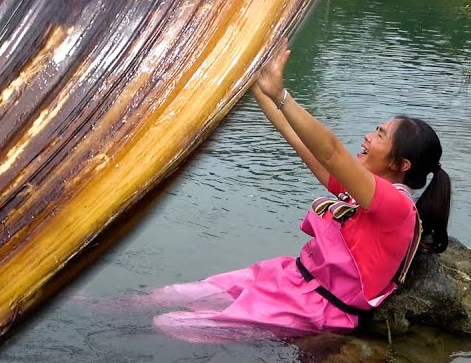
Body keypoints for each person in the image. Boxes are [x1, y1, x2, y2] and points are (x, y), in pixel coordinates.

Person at [152, 47, 452, 337]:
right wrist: (253, 78)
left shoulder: (397, 207)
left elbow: (332, 153)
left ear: (401, 164)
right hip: (288, 277)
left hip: (316, 308)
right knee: (167, 296)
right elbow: (298, 139)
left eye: (380, 136)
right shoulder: (361, 193)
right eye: (376, 129)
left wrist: (283, 95)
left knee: (172, 325)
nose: (367, 137)